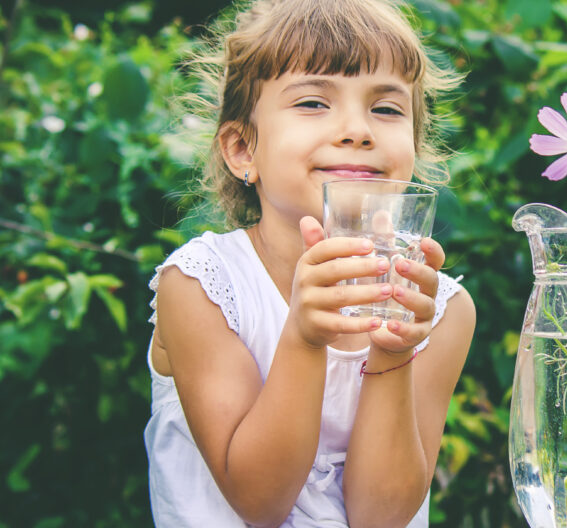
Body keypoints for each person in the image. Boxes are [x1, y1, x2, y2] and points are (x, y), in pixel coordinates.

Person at [143, 0, 476, 526]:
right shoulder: (200, 287)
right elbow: (259, 501)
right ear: (241, 150)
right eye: (314, 103)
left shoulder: (441, 311)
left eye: (387, 109)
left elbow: (381, 516)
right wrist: (302, 337)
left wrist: (392, 350)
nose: (357, 130)